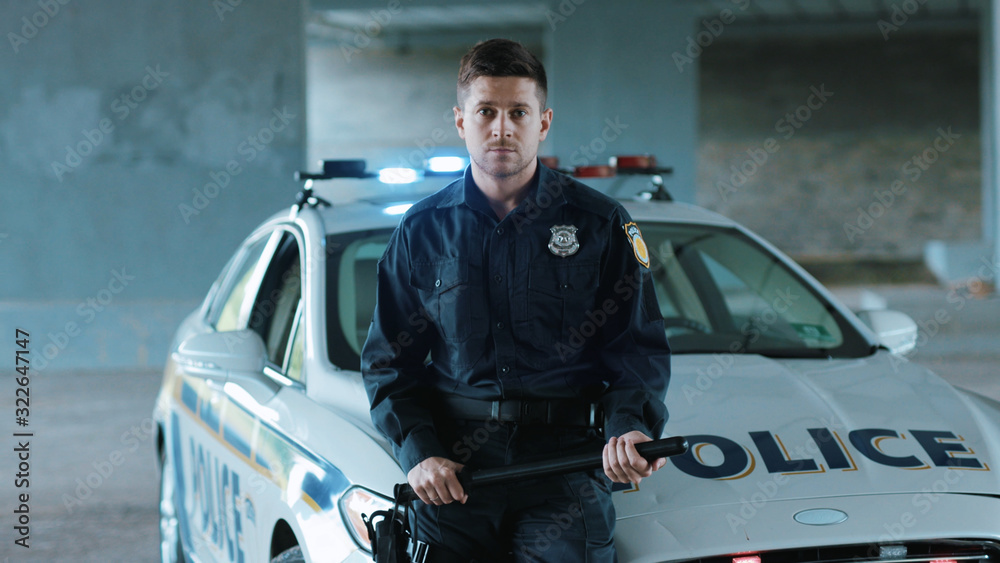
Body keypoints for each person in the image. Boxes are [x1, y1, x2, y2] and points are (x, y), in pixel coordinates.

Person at [362, 38, 670, 562]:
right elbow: (390, 363)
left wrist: (629, 428)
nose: (501, 128)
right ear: (461, 121)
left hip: (563, 472)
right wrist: (420, 453)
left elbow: (634, 350)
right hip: (454, 473)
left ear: (543, 122)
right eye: (486, 111)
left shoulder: (600, 224)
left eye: (517, 112)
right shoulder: (421, 232)